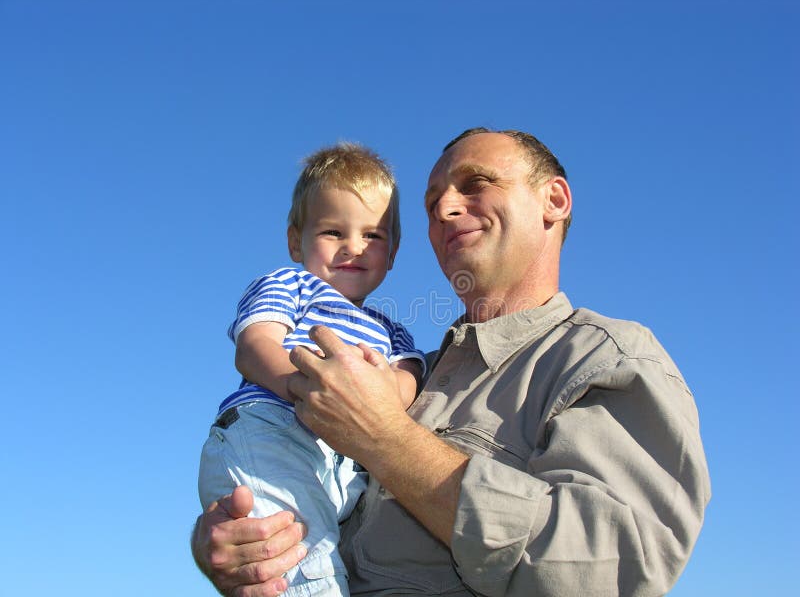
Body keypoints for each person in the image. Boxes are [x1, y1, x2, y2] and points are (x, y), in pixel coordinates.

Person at [192, 128, 711, 597]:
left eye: (475, 183)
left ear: (553, 200)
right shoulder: (411, 371)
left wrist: (385, 437)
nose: (444, 209)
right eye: (432, 202)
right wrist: (241, 545)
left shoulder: (604, 359)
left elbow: (607, 574)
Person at [197, 143, 425, 597]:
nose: (353, 247)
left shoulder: (388, 328)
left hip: (344, 455)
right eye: (332, 231)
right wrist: (308, 390)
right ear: (294, 240)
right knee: (303, 556)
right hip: (274, 426)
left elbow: (409, 376)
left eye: (373, 236)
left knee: (329, 544)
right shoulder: (292, 284)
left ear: (394, 252)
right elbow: (254, 344)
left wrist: (382, 399)